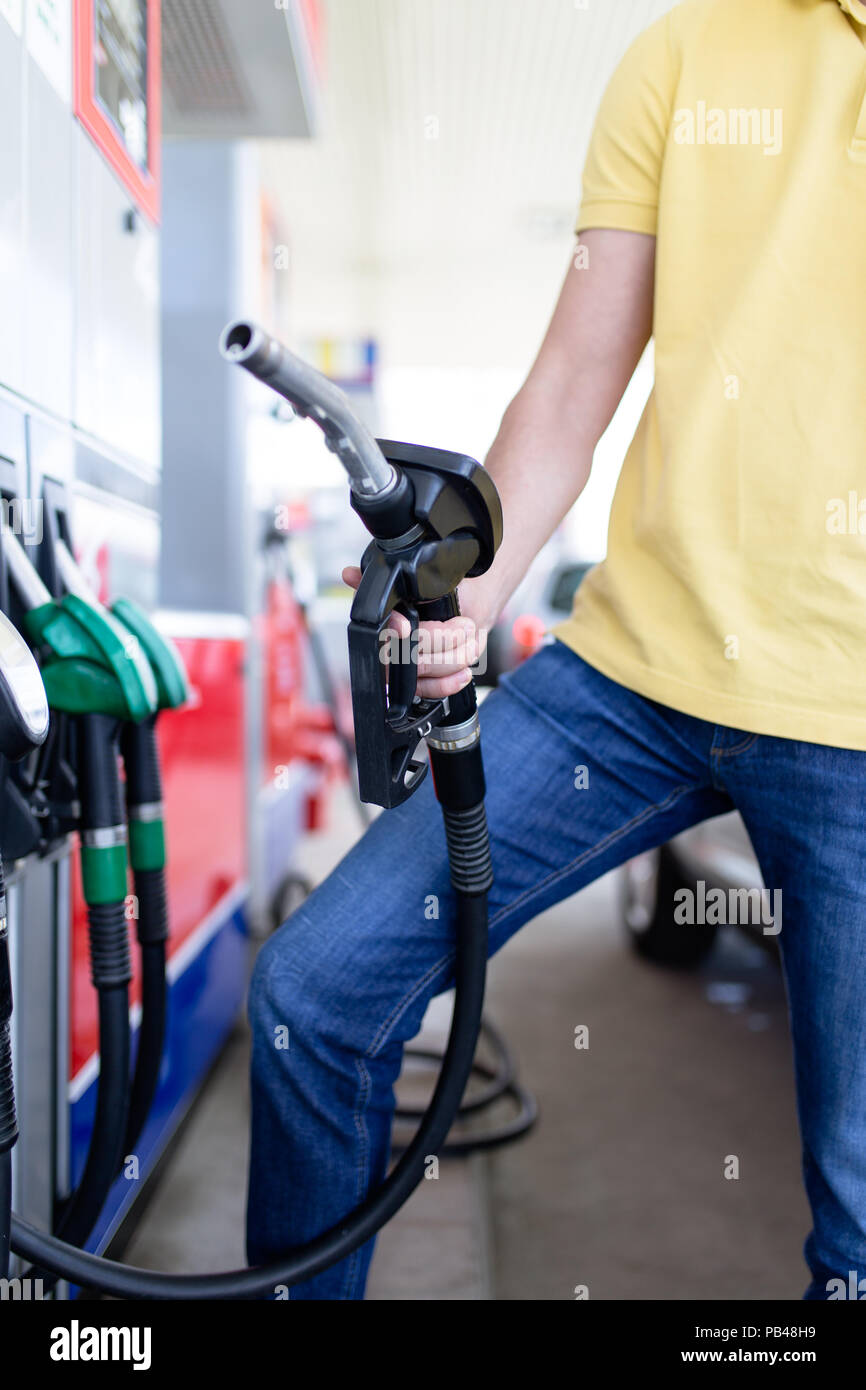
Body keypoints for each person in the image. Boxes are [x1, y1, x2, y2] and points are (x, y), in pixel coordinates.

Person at [247, 0, 866, 1300]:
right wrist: (467, 589)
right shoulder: (688, 52)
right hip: (631, 675)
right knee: (320, 990)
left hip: (852, 716)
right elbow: (577, 376)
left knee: (855, 1235)